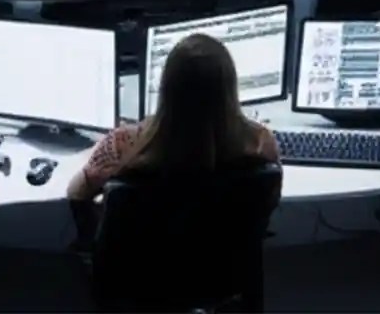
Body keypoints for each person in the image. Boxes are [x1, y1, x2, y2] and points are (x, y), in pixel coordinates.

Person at [67, 33, 280, 234]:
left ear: (166, 88)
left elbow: (76, 193)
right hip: (227, 271)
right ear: (230, 89)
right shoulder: (261, 143)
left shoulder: (121, 146)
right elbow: (269, 205)